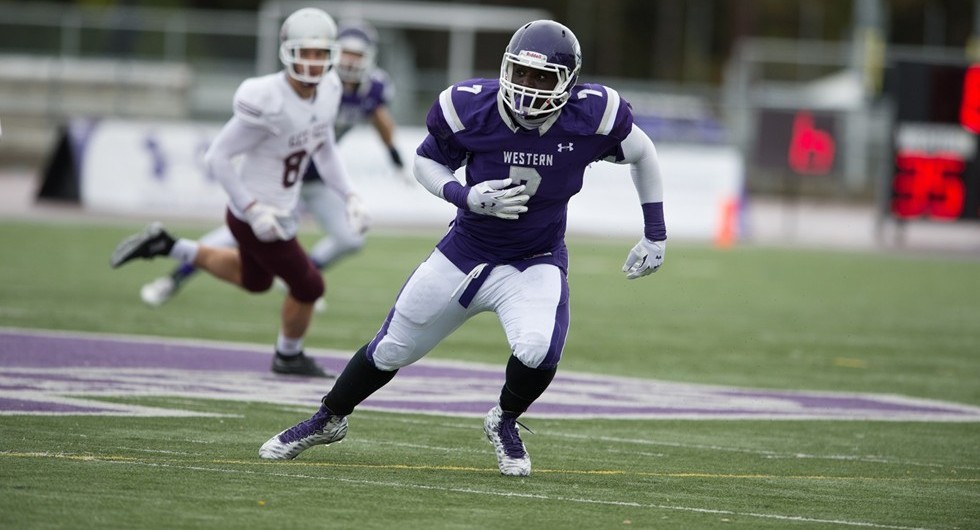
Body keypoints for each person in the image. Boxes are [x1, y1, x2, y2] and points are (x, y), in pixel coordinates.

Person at [258, 19, 667, 476]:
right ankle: (328, 419)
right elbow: (425, 161)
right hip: (464, 250)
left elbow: (643, 153)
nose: (528, 87)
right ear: (505, 68)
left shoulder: (595, 114)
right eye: (521, 73)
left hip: (534, 259)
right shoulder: (471, 107)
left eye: (542, 77)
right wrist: (464, 195)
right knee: (392, 347)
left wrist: (655, 231)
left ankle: (503, 419)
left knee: (537, 349)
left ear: (568, 81)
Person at [110, 7, 366, 378]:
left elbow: (324, 145)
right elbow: (218, 157)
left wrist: (350, 195)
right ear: (287, 51)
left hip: (281, 206)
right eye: (304, 52)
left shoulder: (330, 89)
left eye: (319, 53)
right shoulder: (267, 97)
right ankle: (288, 356)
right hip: (256, 213)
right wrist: (253, 209)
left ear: (331, 56)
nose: (312, 62)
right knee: (309, 285)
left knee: (256, 279)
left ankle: (166, 245)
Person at [138, 20, 403, 307]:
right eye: (346, 53)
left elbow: (366, 125)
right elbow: (226, 148)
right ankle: (175, 276)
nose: (351, 61)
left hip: (315, 178)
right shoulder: (316, 80)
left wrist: (389, 163)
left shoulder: (368, 88)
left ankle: (300, 278)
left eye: (358, 54)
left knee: (350, 238)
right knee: (238, 236)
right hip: (276, 178)